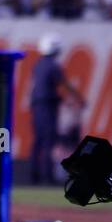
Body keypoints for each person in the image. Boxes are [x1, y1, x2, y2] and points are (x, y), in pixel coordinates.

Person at [30, 35, 83, 185]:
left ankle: (34, 174)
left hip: (36, 104)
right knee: (48, 141)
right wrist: (79, 97)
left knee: (38, 141)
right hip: (47, 105)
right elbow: (64, 84)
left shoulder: (38, 64)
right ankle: (47, 176)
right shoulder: (53, 66)